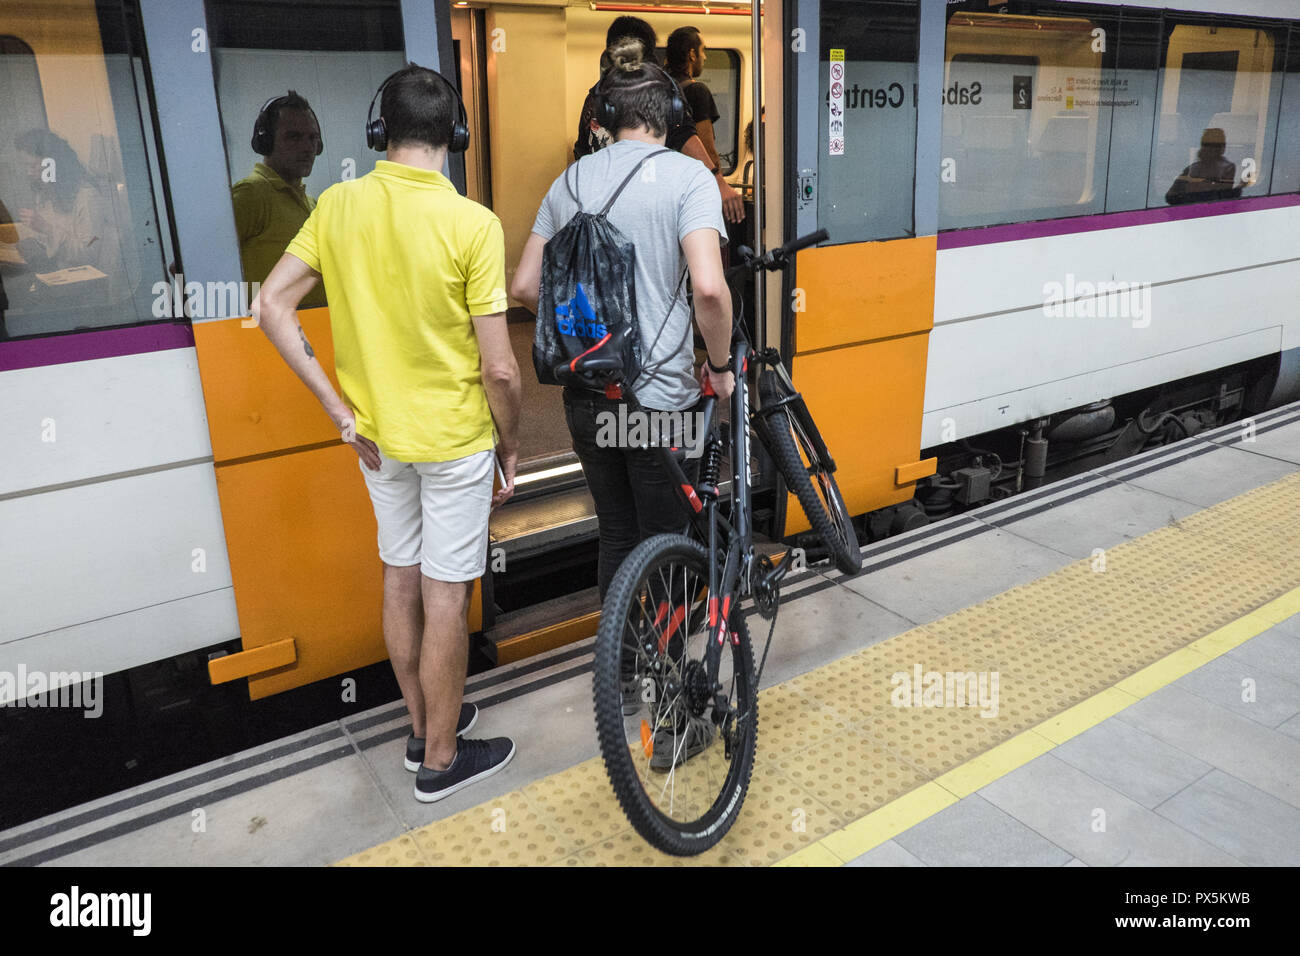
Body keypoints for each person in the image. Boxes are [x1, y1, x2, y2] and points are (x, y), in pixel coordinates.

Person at [252, 64, 522, 803]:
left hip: (377, 441)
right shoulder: (473, 223)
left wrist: (340, 414)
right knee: (444, 595)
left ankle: (419, 727)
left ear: (381, 131)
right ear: (455, 135)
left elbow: (271, 304)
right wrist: (511, 442)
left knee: (400, 576)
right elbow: (499, 369)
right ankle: (441, 760)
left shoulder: (336, 204)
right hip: (455, 440)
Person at [511, 39, 734, 723]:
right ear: (670, 114)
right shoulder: (688, 180)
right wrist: (719, 368)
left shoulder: (568, 183)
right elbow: (709, 289)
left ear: (606, 119)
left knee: (616, 534)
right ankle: (669, 692)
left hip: (587, 397)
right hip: (659, 402)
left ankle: (623, 669)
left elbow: (524, 286)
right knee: (667, 542)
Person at [574, 16, 744, 225]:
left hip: (599, 213)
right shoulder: (660, 89)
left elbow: (581, 152)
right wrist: (718, 181)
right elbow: (684, 136)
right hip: (649, 212)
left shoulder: (595, 97)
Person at [232, 92, 325, 307]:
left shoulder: (311, 203)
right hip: (267, 337)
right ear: (266, 142)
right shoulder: (251, 194)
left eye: (313, 138)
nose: (307, 147)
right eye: (294, 137)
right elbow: (189, 268)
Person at [13, 128, 120, 303]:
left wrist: (46, 228)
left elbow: (89, 254)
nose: (28, 173)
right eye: (26, 166)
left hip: (81, 291)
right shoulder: (46, 194)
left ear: (53, 163)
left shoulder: (86, 197)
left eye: (32, 165)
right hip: (53, 278)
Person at [665, 27, 724, 172]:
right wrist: (720, 183)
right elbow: (707, 149)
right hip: (689, 176)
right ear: (692, 54)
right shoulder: (697, 91)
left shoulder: (661, 87)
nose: (704, 57)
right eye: (702, 51)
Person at [1166, 127, 1241, 205]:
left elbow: (1170, 197)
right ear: (1222, 148)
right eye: (1220, 145)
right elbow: (1224, 198)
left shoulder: (1191, 168)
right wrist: (1241, 186)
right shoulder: (1228, 168)